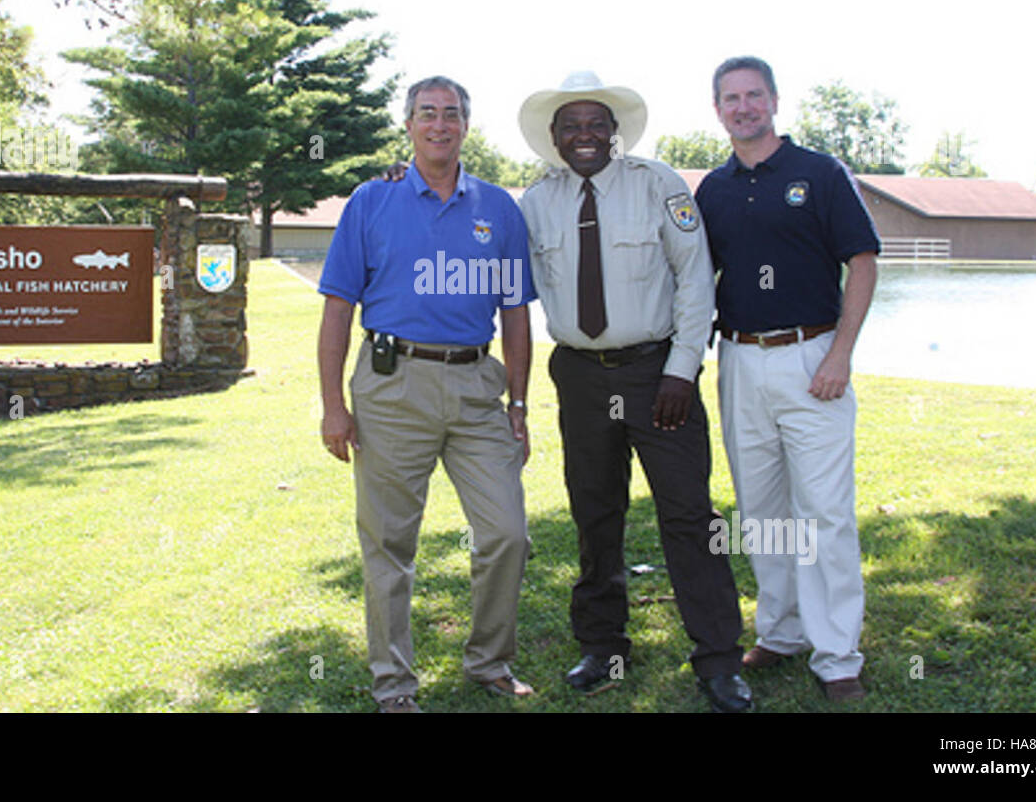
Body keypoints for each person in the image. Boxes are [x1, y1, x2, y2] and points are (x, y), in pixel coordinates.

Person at [517, 71, 751, 713]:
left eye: (597, 123)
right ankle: (604, 647)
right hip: (581, 376)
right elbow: (484, 253)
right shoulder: (534, 203)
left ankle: (719, 660)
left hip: (658, 374)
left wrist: (682, 370)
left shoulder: (659, 186)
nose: (585, 134)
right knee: (595, 515)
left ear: (614, 132)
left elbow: (695, 277)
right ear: (556, 137)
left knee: (690, 517)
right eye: (573, 125)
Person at [317, 75, 536, 713]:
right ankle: (394, 685)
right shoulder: (369, 202)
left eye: (451, 115)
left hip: (476, 389)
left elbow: (516, 315)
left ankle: (489, 661)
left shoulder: (498, 209)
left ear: (466, 126)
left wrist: (518, 405)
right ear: (408, 124)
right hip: (392, 388)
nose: (439, 124)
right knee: (389, 544)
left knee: (507, 533)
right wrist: (333, 404)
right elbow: (336, 311)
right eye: (426, 114)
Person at [694, 56, 880, 701]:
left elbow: (861, 259)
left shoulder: (820, 173)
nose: (743, 107)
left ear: (773, 100)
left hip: (812, 358)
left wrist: (841, 354)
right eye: (730, 98)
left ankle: (837, 657)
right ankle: (781, 630)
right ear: (716, 109)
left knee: (824, 512)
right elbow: (694, 281)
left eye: (753, 95)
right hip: (740, 359)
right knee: (763, 510)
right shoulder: (713, 191)